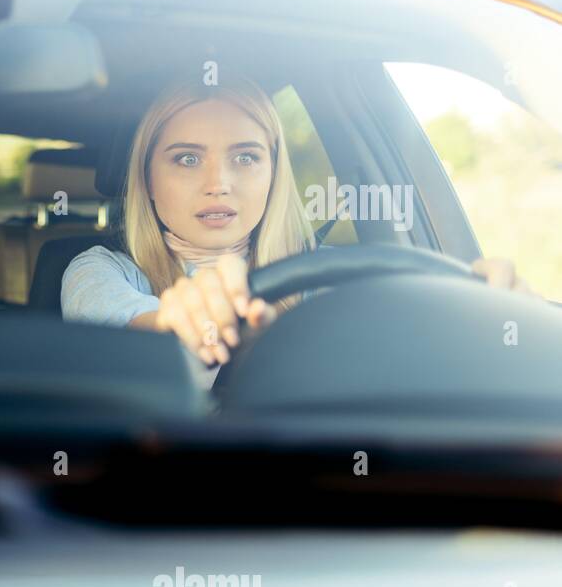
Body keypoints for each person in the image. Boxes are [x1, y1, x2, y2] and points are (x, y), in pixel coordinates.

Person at [61, 77, 530, 381]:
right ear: (147, 178)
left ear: (272, 172)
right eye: (187, 159)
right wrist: (185, 318)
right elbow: (135, 327)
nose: (218, 184)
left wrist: (484, 316)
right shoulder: (100, 273)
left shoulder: (320, 280)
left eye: (245, 157)